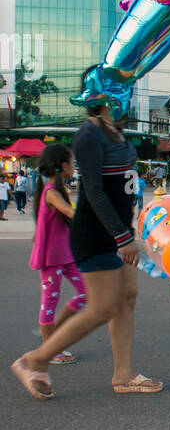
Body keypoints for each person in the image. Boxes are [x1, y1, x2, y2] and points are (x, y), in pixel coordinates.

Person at [11, 78, 163, 400]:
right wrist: (122, 238)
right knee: (103, 307)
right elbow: (93, 192)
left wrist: (131, 230)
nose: (129, 98)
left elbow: (122, 188)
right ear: (105, 99)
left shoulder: (117, 134)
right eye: (123, 93)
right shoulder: (88, 135)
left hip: (119, 232)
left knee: (127, 299)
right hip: (97, 235)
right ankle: (34, 361)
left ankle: (124, 374)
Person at [29, 145, 86, 365]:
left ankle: (55, 333)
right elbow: (69, 211)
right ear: (63, 166)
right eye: (72, 163)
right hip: (51, 258)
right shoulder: (51, 192)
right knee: (49, 302)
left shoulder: (59, 190)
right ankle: (48, 349)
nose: (74, 168)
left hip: (66, 255)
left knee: (86, 293)